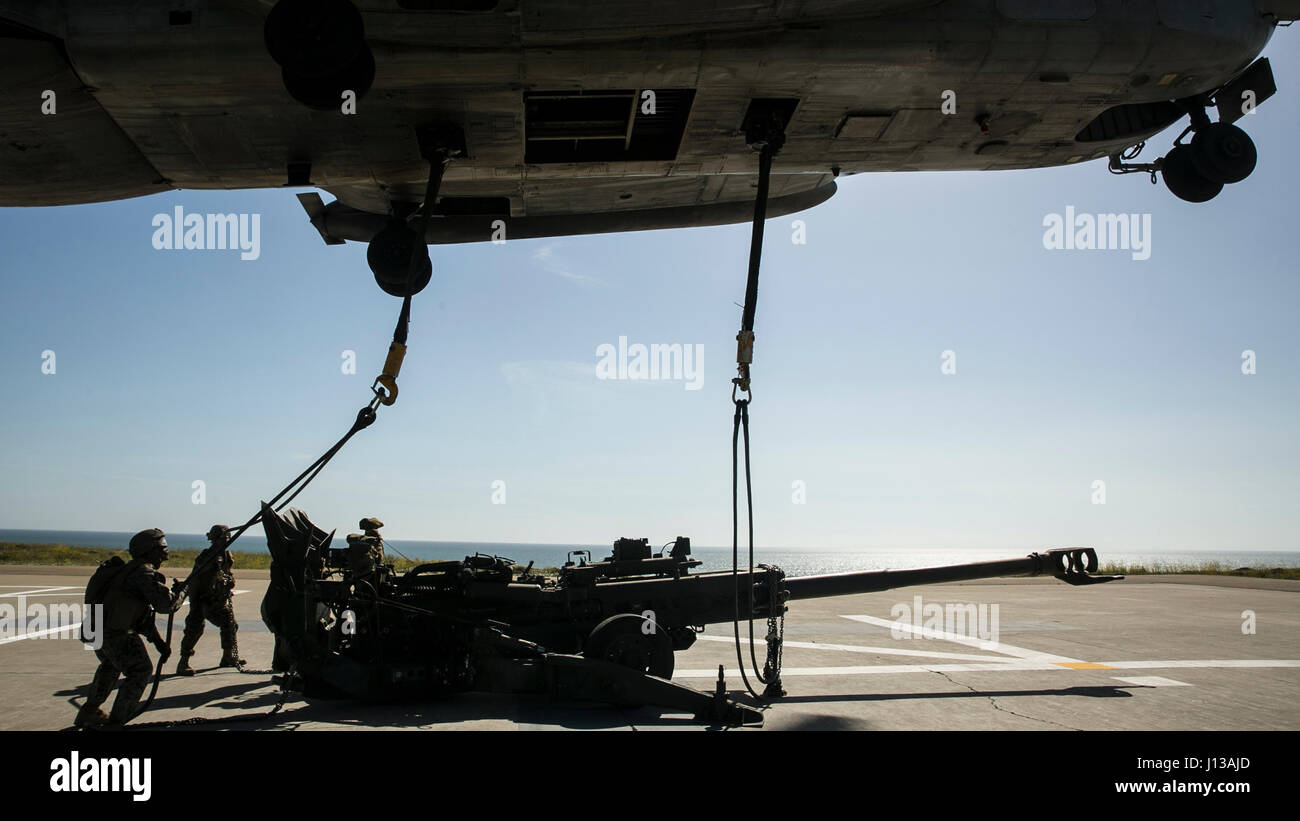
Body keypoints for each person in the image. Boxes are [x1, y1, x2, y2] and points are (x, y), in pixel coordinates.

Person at [74, 528, 180, 729]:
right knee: (140, 671)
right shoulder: (143, 573)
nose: (166, 550)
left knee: (111, 666)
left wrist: (159, 644)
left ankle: (90, 711)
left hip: (99, 631)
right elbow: (165, 605)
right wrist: (181, 594)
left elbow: (142, 618)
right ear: (151, 550)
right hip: (114, 633)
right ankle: (116, 723)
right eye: (162, 546)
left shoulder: (130, 571)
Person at [177, 524, 245, 675]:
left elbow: (226, 574)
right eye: (222, 538)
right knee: (194, 629)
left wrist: (228, 581)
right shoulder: (207, 556)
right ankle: (183, 662)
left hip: (217, 599)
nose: (225, 541)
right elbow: (197, 576)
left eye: (226, 538)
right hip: (201, 599)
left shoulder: (226, 555)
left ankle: (227, 657)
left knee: (230, 624)